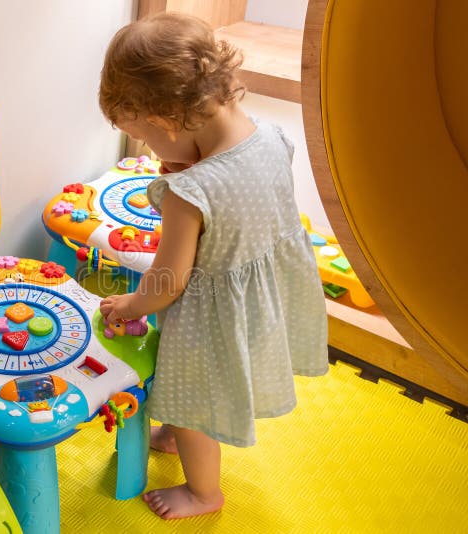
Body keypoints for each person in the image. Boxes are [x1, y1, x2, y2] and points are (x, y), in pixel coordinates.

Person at [98, 12, 328, 520]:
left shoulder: (189, 193)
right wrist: (190, 157)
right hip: (257, 305)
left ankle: (203, 492)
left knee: (193, 407)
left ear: (166, 120)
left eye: (148, 139)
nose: (154, 152)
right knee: (186, 403)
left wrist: (129, 304)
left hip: (209, 324)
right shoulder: (270, 137)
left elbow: (166, 282)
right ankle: (177, 432)